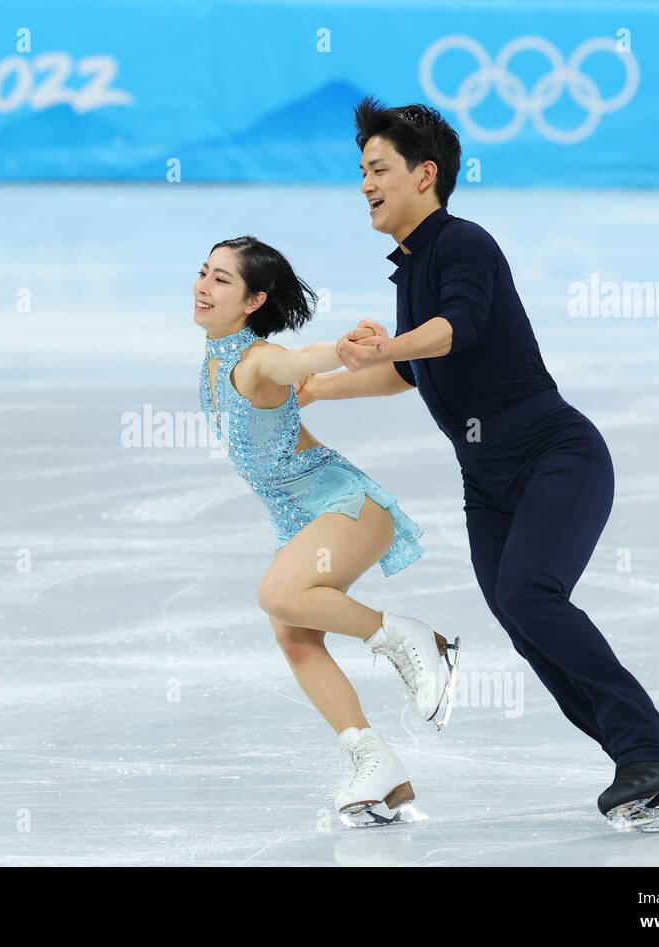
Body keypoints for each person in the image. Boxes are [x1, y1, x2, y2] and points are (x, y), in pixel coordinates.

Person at [304, 98, 659, 831]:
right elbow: (407, 371)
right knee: (521, 617)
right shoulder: (412, 269)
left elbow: (452, 332)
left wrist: (387, 346)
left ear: (425, 175)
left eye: (377, 169)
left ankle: (655, 755)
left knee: (530, 596)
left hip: (553, 453)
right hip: (486, 480)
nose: (364, 184)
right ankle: (644, 762)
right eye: (360, 171)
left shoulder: (464, 244)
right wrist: (317, 388)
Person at [193, 235, 459, 827]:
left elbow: (297, 362)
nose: (204, 287)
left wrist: (337, 349)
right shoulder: (218, 358)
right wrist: (364, 365)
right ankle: (374, 761)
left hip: (347, 507)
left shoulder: (257, 360)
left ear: (254, 299)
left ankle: (411, 637)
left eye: (222, 280)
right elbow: (325, 385)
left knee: (278, 595)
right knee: (295, 636)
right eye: (204, 273)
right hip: (303, 520)